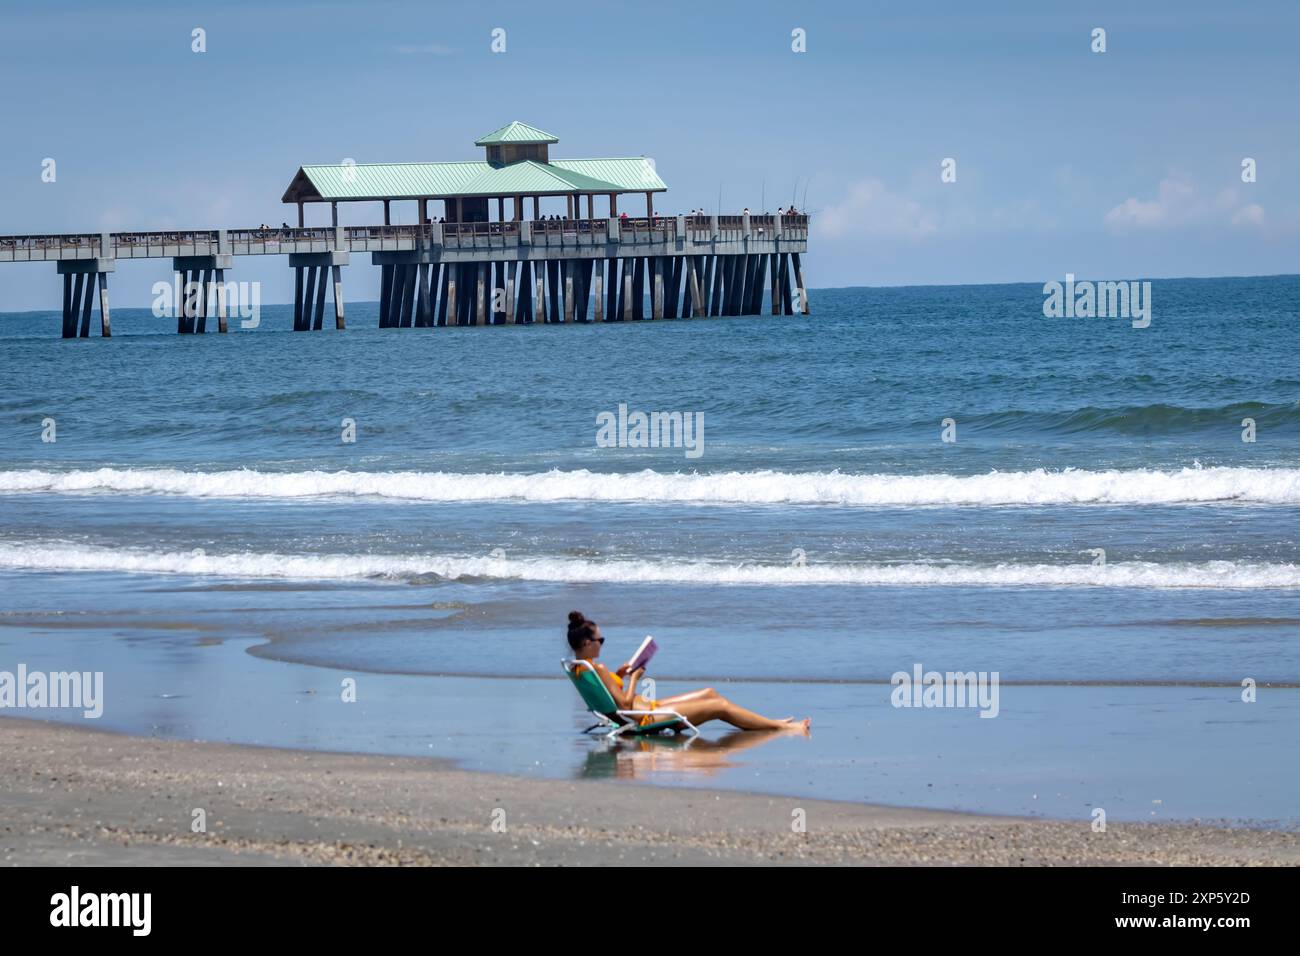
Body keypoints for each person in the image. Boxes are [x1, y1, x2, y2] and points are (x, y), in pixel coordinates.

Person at [565, 611, 810, 733]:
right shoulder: (597, 668)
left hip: (649, 709)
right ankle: (782, 727)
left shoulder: (580, 668)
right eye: (600, 640)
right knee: (720, 706)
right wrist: (635, 679)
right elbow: (625, 705)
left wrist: (620, 674)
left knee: (710, 692)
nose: (602, 643)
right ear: (587, 643)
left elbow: (610, 699)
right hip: (647, 718)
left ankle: (770, 722)